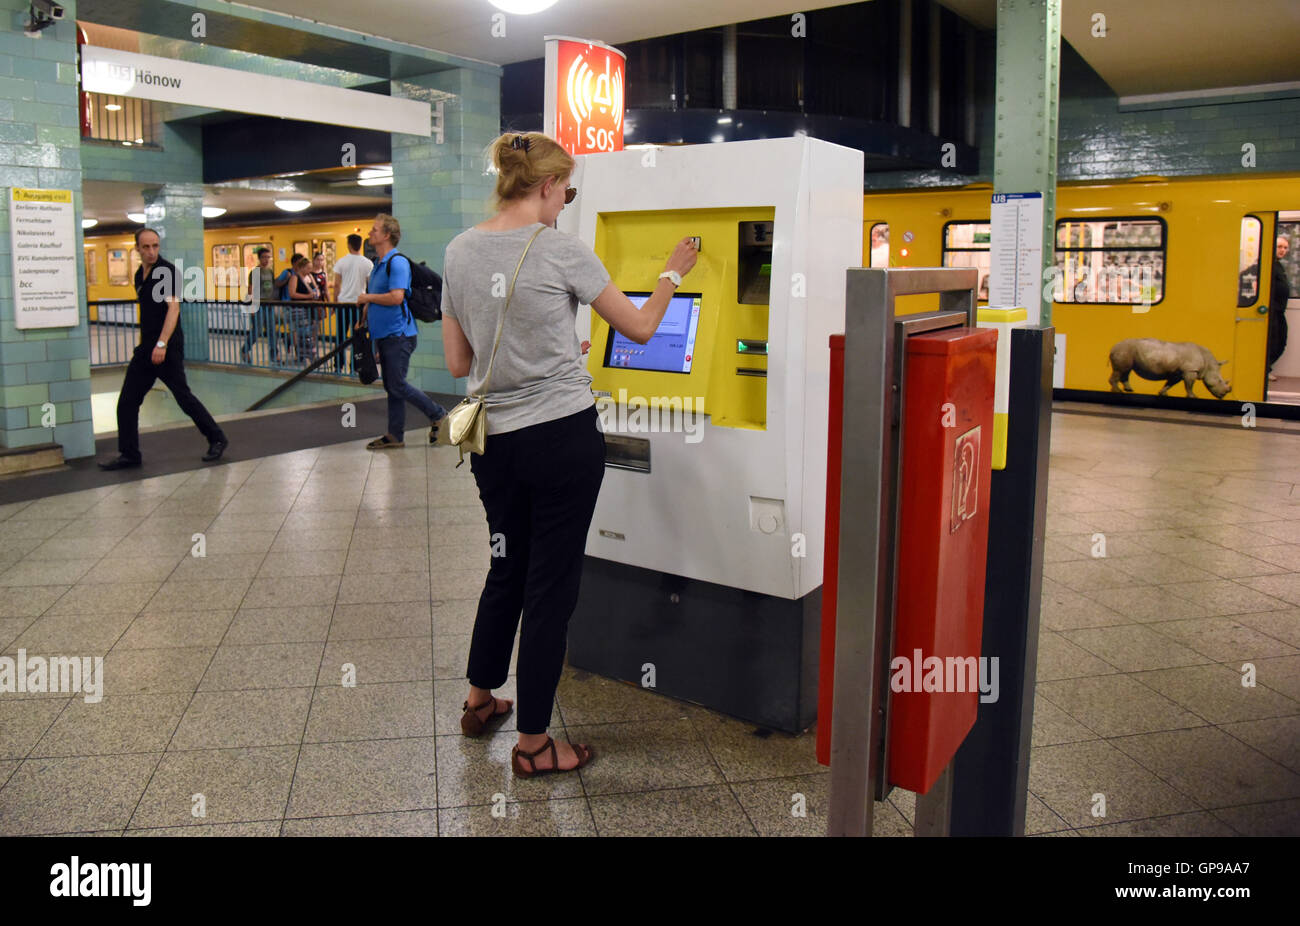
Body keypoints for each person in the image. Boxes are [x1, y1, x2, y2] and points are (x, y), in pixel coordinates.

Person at [440, 131, 698, 776]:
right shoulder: (560, 250)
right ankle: (533, 744)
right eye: (567, 191)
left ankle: (479, 703)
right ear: (548, 186)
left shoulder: (459, 250)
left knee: (505, 569)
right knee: (550, 587)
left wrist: (547, 349)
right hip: (559, 438)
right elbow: (639, 328)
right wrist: (672, 273)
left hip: (492, 444)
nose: (565, 203)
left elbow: (458, 362)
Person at [99, 228, 228, 470]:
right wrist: (150, 345)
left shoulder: (166, 272)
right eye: (146, 247)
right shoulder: (140, 275)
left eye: (155, 246)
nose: (151, 251)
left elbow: (173, 309)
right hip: (146, 349)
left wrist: (162, 344)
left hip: (166, 347)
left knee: (183, 397)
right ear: (137, 248)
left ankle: (217, 438)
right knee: (127, 401)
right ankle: (129, 454)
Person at [358, 213, 447, 449]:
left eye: (374, 230)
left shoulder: (397, 263)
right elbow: (384, 297)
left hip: (400, 335)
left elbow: (397, 297)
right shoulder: (379, 264)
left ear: (386, 235)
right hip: (386, 335)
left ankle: (438, 414)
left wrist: (368, 297)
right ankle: (395, 435)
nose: (370, 233)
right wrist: (369, 307)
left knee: (396, 384)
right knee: (392, 385)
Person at [331, 234, 372, 372]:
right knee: (357, 336)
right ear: (360, 245)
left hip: (343, 305)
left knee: (340, 336)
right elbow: (369, 285)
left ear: (349, 245)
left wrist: (334, 303)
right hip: (359, 305)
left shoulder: (341, 262)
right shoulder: (367, 263)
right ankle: (355, 364)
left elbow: (336, 285)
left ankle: (338, 364)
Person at [241, 247, 279, 364]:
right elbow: (251, 289)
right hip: (259, 305)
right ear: (259, 258)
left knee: (272, 330)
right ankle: (244, 350)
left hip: (269, 305)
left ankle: (274, 355)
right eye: (264, 257)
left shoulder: (270, 271)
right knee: (257, 330)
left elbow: (273, 287)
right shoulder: (255, 272)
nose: (266, 259)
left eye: (268, 257)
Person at [286, 253, 321, 365]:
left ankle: (309, 355)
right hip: (298, 309)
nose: (310, 270)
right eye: (308, 268)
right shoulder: (294, 278)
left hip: (310, 308)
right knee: (303, 333)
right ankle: (303, 356)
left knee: (311, 331)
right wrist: (308, 297)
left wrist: (316, 294)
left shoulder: (309, 277)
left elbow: (316, 288)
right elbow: (292, 294)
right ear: (301, 267)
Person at [1267, 235, 1290, 383]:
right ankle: (1264, 369)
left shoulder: (1279, 266)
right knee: (1273, 342)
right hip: (1272, 311)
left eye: (1285, 248)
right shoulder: (1267, 265)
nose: (1283, 250)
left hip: (1279, 312)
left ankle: (1266, 367)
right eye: (1279, 247)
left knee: (1281, 341)